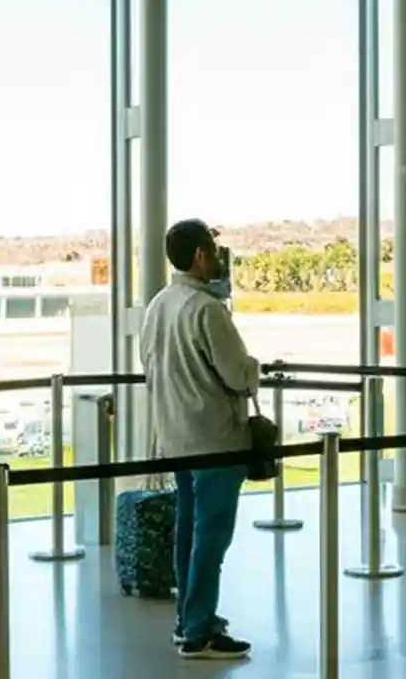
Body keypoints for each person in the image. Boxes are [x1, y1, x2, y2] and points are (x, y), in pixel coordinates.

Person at [140, 219, 260, 660]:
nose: (216, 257)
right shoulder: (207, 310)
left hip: (176, 437)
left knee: (187, 531)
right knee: (212, 537)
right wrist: (254, 369)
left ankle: (189, 617)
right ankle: (198, 632)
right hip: (216, 438)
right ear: (198, 256)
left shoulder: (159, 305)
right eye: (212, 249)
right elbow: (236, 372)